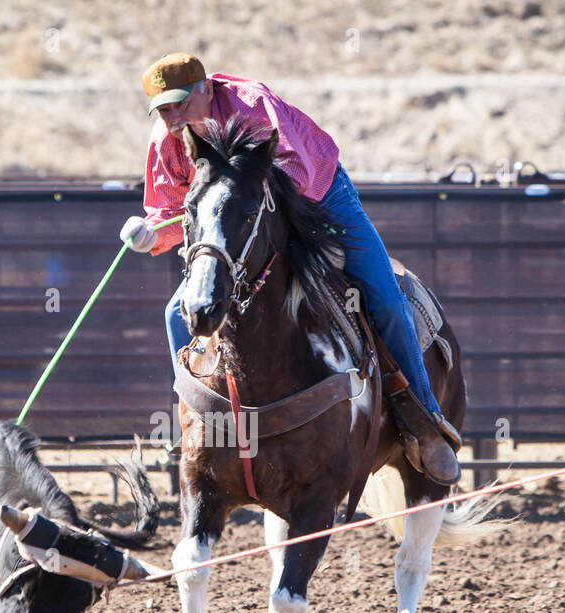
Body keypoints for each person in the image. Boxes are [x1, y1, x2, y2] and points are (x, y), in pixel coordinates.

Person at [118, 52, 461, 484]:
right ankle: (201, 421)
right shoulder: (165, 140)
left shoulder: (252, 104)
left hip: (319, 196)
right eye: (163, 109)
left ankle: (425, 421)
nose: (172, 117)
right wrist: (150, 233)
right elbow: (170, 212)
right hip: (243, 223)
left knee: (386, 299)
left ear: (207, 89)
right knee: (176, 313)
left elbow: (296, 172)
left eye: (180, 104)